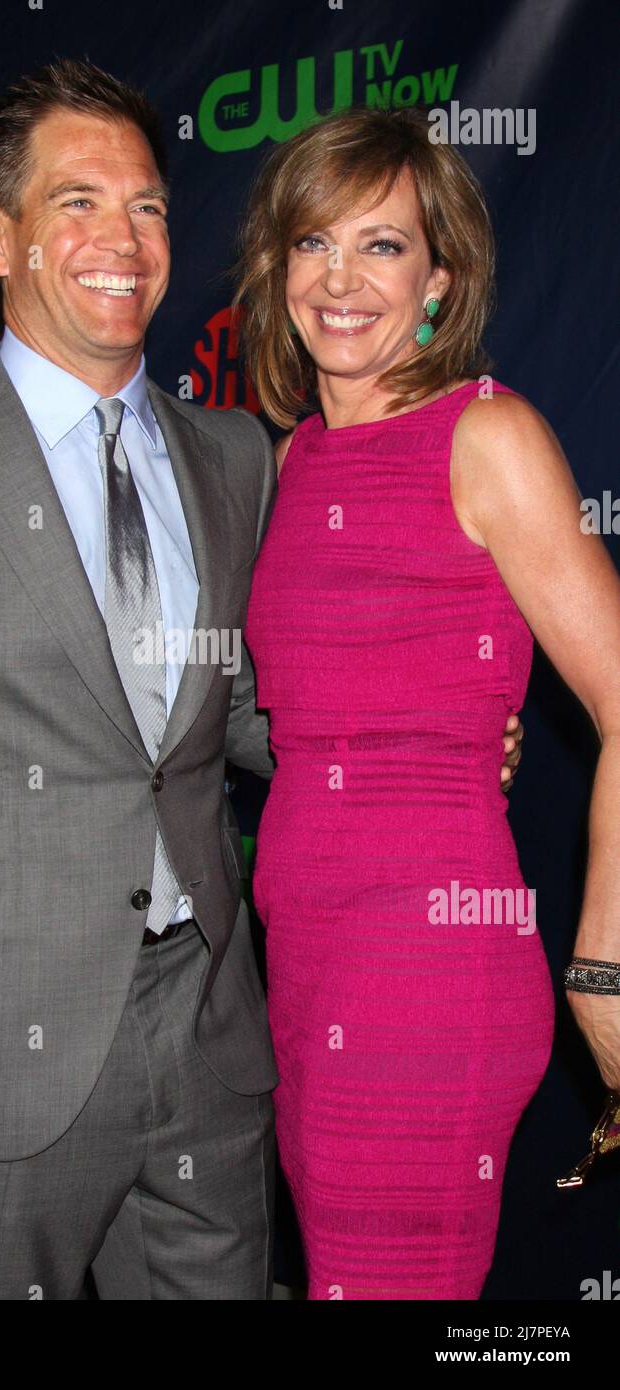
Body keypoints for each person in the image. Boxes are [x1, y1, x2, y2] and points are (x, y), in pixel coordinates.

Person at [0, 63, 521, 1302]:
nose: (122, 239)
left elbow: (249, 717)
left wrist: (414, 738)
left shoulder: (234, 456)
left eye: (150, 208)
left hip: (211, 1042)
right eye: (78, 202)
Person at [236, 105, 620, 1300]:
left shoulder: (485, 437)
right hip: (304, 969)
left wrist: (601, 964)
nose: (339, 278)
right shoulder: (295, 458)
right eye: (312, 243)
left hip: (425, 976)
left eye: (381, 245)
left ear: (439, 280)